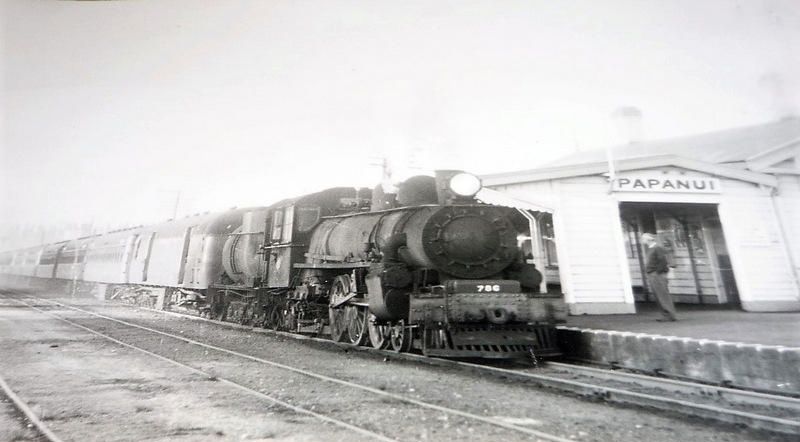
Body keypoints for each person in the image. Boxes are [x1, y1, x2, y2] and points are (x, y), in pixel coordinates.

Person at [641, 232, 678, 321]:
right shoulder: (651, 249)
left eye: (643, 238)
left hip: (657, 275)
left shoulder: (657, 248)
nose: (642, 240)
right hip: (652, 274)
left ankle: (670, 315)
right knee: (658, 295)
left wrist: (658, 272)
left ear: (649, 239)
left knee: (662, 295)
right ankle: (665, 315)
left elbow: (662, 260)